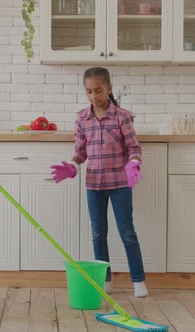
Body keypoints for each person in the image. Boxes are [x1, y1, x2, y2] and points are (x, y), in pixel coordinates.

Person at [50, 67, 148, 298]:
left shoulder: (122, 117)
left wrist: (134, 162)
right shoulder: (82, 118)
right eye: (89, 91)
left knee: (127, 232)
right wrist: (72, 165)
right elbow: (80, 151)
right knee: (98, 233)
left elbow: (133, 147)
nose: (94, 96)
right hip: (94, 183)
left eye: (99, 90)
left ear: (109, 88)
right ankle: (105, 281)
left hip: (120, 183)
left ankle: (139, 281)